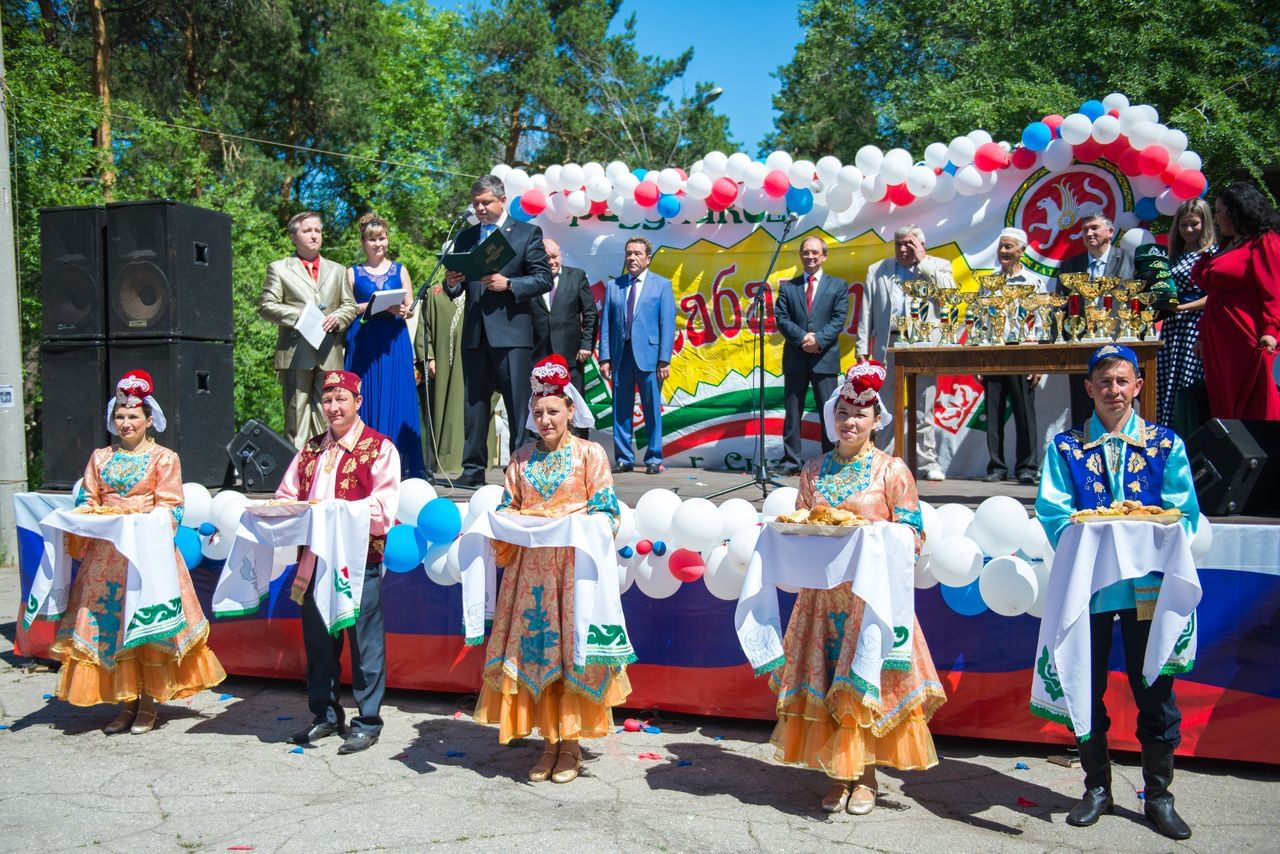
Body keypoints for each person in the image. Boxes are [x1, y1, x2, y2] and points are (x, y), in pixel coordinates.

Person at [1035, 344, 1200, 840]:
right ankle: (1097, 789)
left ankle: (1159, 795)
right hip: (1089, 590)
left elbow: (1184, 512)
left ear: (1138, 386)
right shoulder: (1066, 447)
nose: (1113, 391)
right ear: (1089, 389)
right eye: (1103, 383)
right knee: (1088, 686)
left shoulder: (1165, 445)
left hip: (1146, 588)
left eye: (1122, 381)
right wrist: (1092, 539)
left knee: (1155, 692)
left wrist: (1148, 532)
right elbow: (1053, 511)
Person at [769, 361, 946, 815]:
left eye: (860, 413)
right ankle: (838, 774)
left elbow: (913, 534)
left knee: (863, 683)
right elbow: (803, 521)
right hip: (822, 597)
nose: (851, 421)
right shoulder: (812, 470)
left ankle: (865, 777)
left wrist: (871, 534)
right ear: (832, 418)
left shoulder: (892, 470)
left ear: (875, 420)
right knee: (828, 681)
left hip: (871, 598)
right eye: (844, 412)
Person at [474, 355, 630, 783]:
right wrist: (508, 522)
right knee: (537, 653)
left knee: (570, 656)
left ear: (571, 411)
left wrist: (570, 523)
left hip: (572, 574)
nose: (545, 419)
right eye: (538, 412)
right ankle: (548, 745)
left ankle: (572, 747)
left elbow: (609, 513)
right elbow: (507, 509)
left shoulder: (589, 454)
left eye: (553, 411)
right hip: (529, 577)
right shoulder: (521, 460)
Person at [50, 370, 226, 734]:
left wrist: (140, 522)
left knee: (147, 628)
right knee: (111, 629)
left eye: (133, 416)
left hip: (148, 555)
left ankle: (148, 706)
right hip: (107, 559)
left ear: (149, 419)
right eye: (120, 415)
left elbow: (172, 506)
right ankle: (125, 703)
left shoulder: (164, 458)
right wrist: (89, 516)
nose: (126, 422)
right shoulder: (100, 458)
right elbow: (88, 499)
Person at [276, 370, 400, 754]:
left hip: (358, 561)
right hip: (314, 561)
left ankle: (368, 721)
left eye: (341, 399)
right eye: (327, 400)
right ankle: (326, 716)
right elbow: (285, 496)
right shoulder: (310, 450)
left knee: (364, 643)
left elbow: (383, 512)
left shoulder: (379, 449)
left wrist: (331, 510)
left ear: (357, 402)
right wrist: (283, 510)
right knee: (319, 644)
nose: (333, 408)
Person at [443, 175, 553, 488]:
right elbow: (454, 287)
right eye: (476, 202)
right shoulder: (465, 238)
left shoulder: (526, 233)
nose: (479, 208)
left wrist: (510, 284)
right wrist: (452, 282)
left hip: (511, 333)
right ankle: (473, 468)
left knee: (518, 404)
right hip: (475, 332)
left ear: (502, 200)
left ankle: (519, 466)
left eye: (486, 202)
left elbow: (543, 278)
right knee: (475, 404)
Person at [857, 225, 955, 480]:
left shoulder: (938, 265)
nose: (902, 249)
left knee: (924, 405)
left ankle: (927, 462)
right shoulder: (878, 270)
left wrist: (921, 260)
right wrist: (862, 349)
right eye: (898, 244)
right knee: (886, 406)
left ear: (921, 244)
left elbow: (949, 296)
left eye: (908, 244)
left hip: (923, 345)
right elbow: (866, 310)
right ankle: (885, 461)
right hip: (887, 345)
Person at [259, 211, 359, 449]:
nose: (314, 236)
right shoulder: (280, 268)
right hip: (296, 352)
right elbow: (265, 306)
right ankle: (298, 471)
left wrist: (338, 317)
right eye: (307, 231)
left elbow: (350, 305)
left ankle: (326, 465)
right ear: (294, 237)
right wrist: (302, 316)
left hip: (329, 353)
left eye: (318, 231)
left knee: (332, 412)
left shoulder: (337, 270)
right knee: (296, 417)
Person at [344, 213, 426, 480]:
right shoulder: (352, 272)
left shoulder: (400, 269)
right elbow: (345, 307)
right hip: (365, 340)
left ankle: (400, 463)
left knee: (396, 396)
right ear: (363, 242)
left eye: (381, 238)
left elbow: (411, 307)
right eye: (371, 239)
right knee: (366, 396)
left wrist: (403, 310)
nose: (378, 243)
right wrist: (368, 305)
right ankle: (365, 464)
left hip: (393, 341)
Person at [1193, 182, 1280, 420]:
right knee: (1224, 400)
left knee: (1255, 400)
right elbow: (1214, 297)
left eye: (1220, 211)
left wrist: (1271, 330)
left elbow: (1273, 291)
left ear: (1235, 211)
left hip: (1246, 334)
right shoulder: (1228, 244)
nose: (1216, 216)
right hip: (1218, 336)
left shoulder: (1264, 242)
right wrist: (1201, 335)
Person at [598, 236, 676, 475]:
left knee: (652, 409)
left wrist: (665, 359)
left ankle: (653, 458)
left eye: (637, 253)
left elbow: (667, 324)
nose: (632, 257)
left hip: (651, 358)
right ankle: (624, 458)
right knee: (620, 410)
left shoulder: (661, 285)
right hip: (622, 357)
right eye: (629, 253)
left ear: (648, 258)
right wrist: (605, 358)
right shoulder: (614, 286)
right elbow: (607, 325)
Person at [774, 236, 848, 476]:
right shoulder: (788, 287)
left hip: (824, 358)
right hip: (796, 358)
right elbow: (782, 319)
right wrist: (803, 339)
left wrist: (818, 340)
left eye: (815, 252)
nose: (811, 257)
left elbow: (839, 319)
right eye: (806, 252)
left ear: (824, 256)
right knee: (792, 411)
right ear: (800, 256)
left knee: (829, 411)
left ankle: (831, 459)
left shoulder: (838, 286)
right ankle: (791, 461)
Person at [1055, 213, 1135, 425]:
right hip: (1081, 345)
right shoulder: (1070, 267)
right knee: (1083, 406)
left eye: (1094, 228)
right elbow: (1061, 306)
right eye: (1085, 230)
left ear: (1110, 232)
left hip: (1120, 343)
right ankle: (1083, 452)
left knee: (1119, 401)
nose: (1089, 233)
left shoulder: (1131, 260)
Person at [982, 227, 1048, 484]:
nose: (1003, 252)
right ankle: (996, 467)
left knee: (1025, 414)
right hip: (995, 354)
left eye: (1008, 247)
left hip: (1023, 354)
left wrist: (1038, 360)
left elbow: (1042, 322)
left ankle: (1027, 468)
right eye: (1001, 246)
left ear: (1021, 251)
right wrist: (980, 359)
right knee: (993, 415)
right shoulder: (989, 283)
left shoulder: (1034, 282)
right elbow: (980, 320)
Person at [1156, 199, 1216, 434]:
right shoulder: (1175, 255)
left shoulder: (1211, 254)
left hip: (1196, 329)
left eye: (1194, 224)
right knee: (1167, 386)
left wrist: (1182, 307)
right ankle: (1168, 439)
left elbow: (1215, 296)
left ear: (1205, 223)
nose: (1189, 230)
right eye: (1183, 225)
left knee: (1189, 387)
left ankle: (1193, 438)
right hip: (1172, 330)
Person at [531, 237, 598, 439]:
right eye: (546, 257)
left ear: (561, 255)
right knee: (540, 405)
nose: (551, 261)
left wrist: (586, 344)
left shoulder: (577, 276)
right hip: (537, 356)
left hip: (570, 356)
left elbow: (590, 313)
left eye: (555, 256)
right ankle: (540, 453)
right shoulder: (530, 279)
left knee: (572, 405)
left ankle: (578, 452)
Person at [417, 279, 467, 476]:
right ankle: (439, 463)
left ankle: (466, 463)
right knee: (439, 409)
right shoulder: (433, 293)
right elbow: (424, 328)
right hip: (441, 363)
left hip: (469, 363)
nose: (455, 275)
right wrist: (428, 357)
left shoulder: (474, 291)